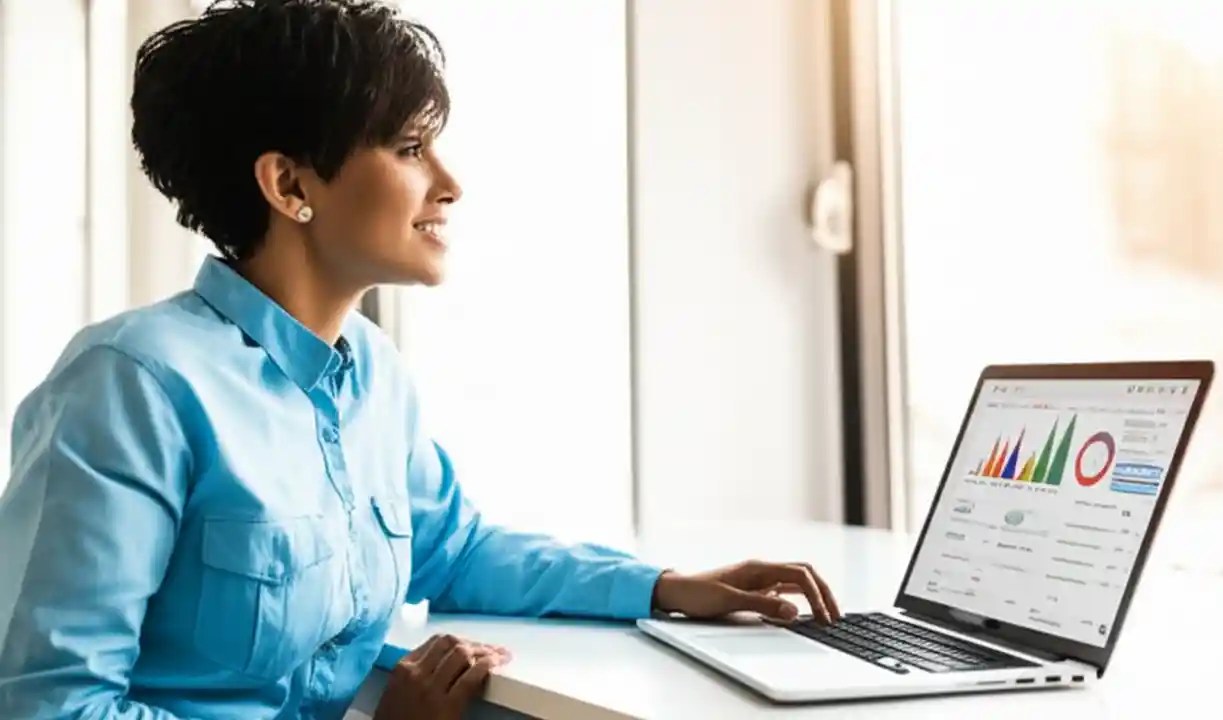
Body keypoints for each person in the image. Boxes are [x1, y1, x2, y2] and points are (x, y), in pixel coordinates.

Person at [0, 1, 841, 718]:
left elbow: (456, 549)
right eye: (409, 150)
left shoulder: (371, 371)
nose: (449, 183)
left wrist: (666, 588)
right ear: (289, 186)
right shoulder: (130, 384)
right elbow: (54, 705)